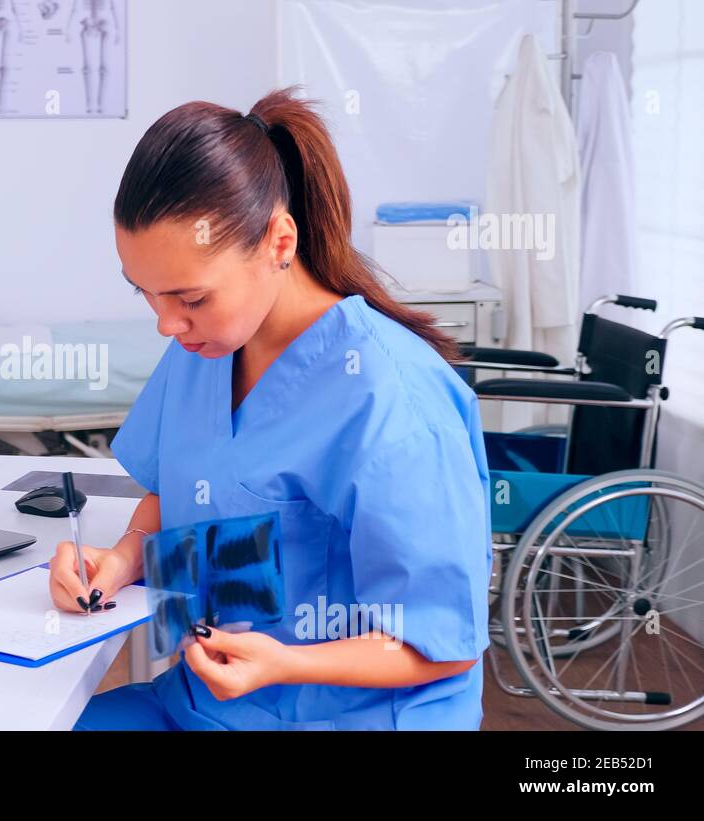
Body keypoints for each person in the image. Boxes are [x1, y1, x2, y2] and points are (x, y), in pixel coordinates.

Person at [49, 88, 492, 730]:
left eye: (190, 297)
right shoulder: (204, 349)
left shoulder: (392, 401)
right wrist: (119, 559)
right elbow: (182, 495)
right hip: (203, 703)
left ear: (278, 241)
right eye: (145, 293)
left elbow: (444, 645)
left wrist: (283, 663)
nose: (166, 324)